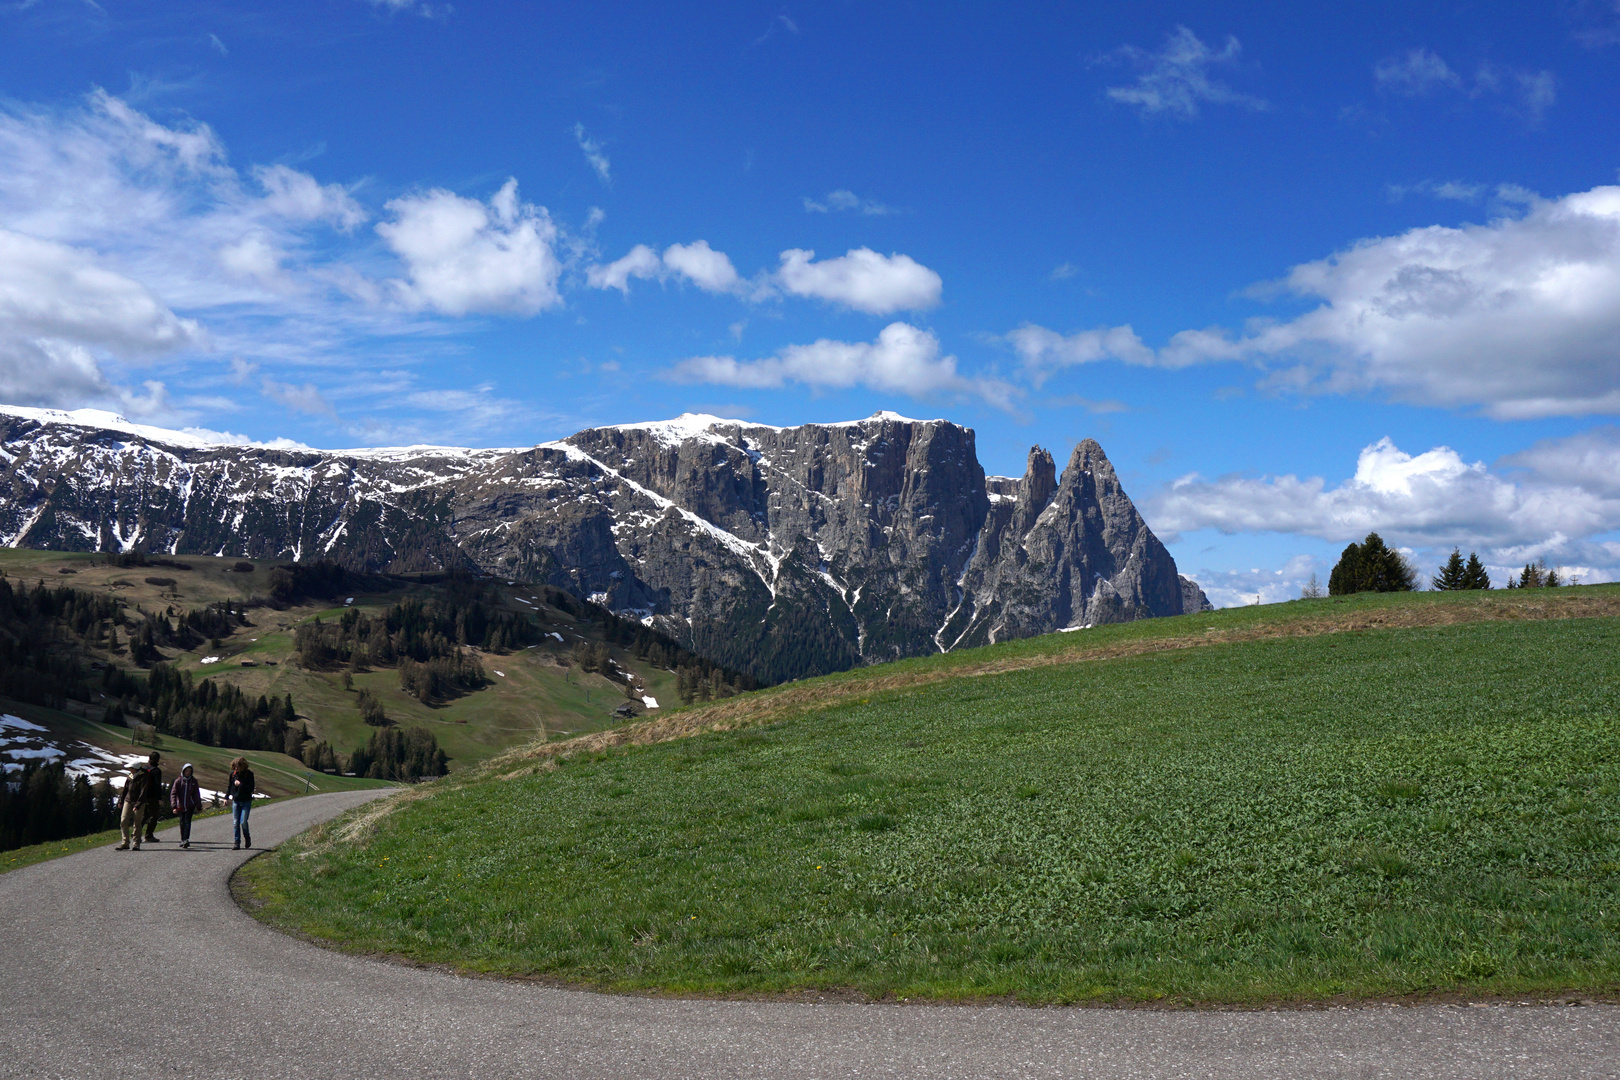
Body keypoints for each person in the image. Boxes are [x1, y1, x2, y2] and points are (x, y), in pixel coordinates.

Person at [114, 753, 160, 851]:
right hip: (128, 800)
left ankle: (136, 843)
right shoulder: (130, 776)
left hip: (139, 802)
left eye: (130, 767)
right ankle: (125, 842)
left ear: (135, 768)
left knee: (137, 823)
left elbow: (143, 792)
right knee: (123, 821)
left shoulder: (143, 777)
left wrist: (138, 805)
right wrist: (121, 801)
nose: (128, 769)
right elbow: (125, 790)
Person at [169, 763, 203, 848]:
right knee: (182, 822)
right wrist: (174, 806)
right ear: (183, 771)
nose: (188, 773)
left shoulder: (193, 782)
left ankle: (186, 839)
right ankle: (182, 839)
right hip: (180, 806)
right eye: (186, 771)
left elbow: (196, 795)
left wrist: (198, 806)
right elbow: (173, 794)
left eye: (189, 771)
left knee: (187, 822)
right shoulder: (178, 781)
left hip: (189, 806)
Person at [225, 757, 255, 850]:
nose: (236, 769)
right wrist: (226, 797)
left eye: (238, 767)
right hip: (236, 801)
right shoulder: (233, 775)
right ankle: (237, 842)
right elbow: (230, 786)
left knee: (243, 822)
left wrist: (240, 784)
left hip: (246, 801)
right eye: (235, 767)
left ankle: (247, 838)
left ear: (243, 766)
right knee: (235, 822)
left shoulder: (249, 774)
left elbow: (251, 788)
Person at [141, 753, 165, 843]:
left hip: (143, 796)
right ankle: (148, 835)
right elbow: (157, 785)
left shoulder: (144, 768)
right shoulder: (157, 771)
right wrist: (159, 798)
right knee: (153, 816)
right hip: (153, 797)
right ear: (158, 760)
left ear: (149, 758)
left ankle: (136, 833)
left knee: (144, 815)